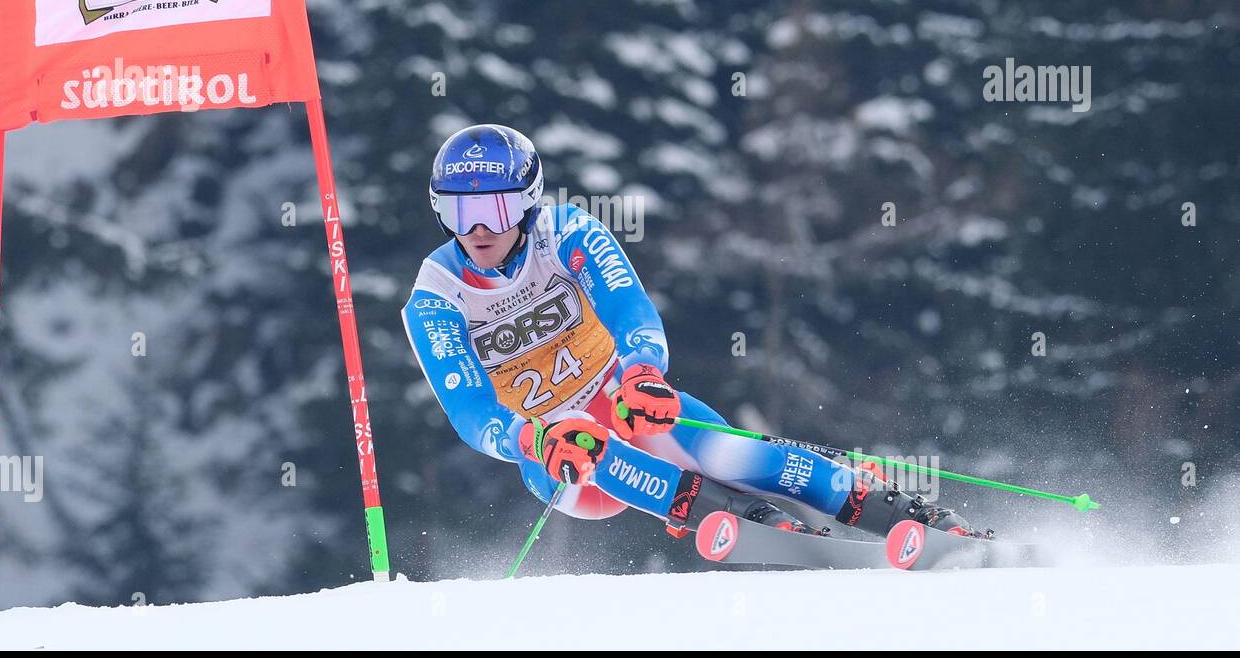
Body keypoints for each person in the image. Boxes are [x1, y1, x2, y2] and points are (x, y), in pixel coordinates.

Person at [401, 123, 987, 544]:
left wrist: (641, 374)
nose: (477, 229)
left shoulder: (565, 232)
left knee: (726, 450)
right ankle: (744, 516)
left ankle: (895, 509)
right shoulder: (436, 298)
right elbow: (471, 408)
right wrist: (528, 440)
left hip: (623, 399)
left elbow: (630, 310)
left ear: (527, 204)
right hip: (560, 458)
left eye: (496, 210)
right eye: (458, 213)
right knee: (582, 437)